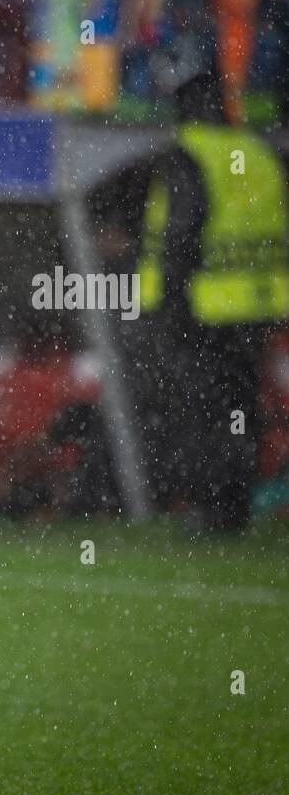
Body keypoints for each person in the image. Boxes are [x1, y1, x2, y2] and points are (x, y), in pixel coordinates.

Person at [90, 65, 289, 533]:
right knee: (241, 408)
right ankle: (235, 506)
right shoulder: (260, 152)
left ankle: (210, 510)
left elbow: (182, 233)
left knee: (200, 411)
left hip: (202, 306)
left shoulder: (191, 154)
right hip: (257, 301)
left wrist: (168, 303)